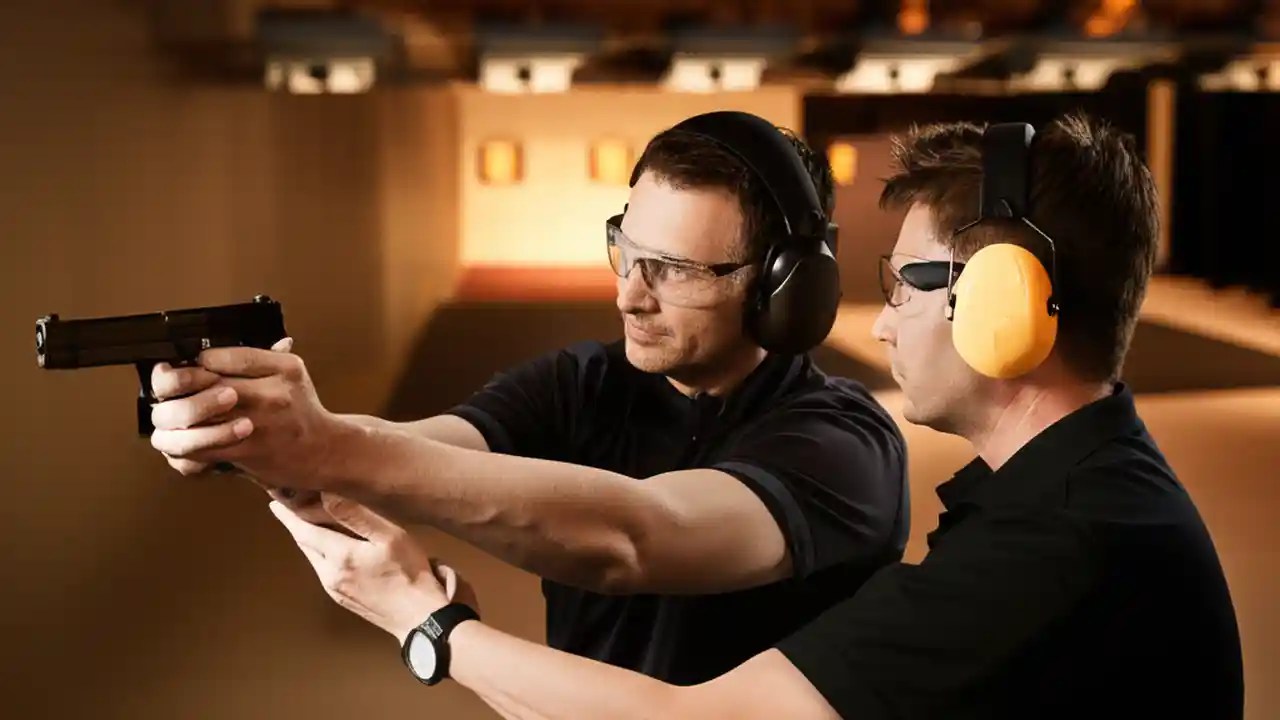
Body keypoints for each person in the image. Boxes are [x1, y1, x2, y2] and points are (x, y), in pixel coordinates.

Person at [267, 111, 1245, 719]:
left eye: (906, 277)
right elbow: (415, 455)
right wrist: (289, 439)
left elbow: (642, 558)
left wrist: (424, 618)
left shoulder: (1053, 545)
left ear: (1001, 301)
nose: (888, 313)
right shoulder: (1066, 493)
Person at [147, 110, 910, 685]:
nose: (627, 295)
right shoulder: (585, 382)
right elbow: (416, 451)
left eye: (671, 269)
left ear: (784, 288)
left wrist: (327, 448)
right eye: (626, 250)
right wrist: (254, 428)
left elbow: (634, 538)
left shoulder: (845, 447)